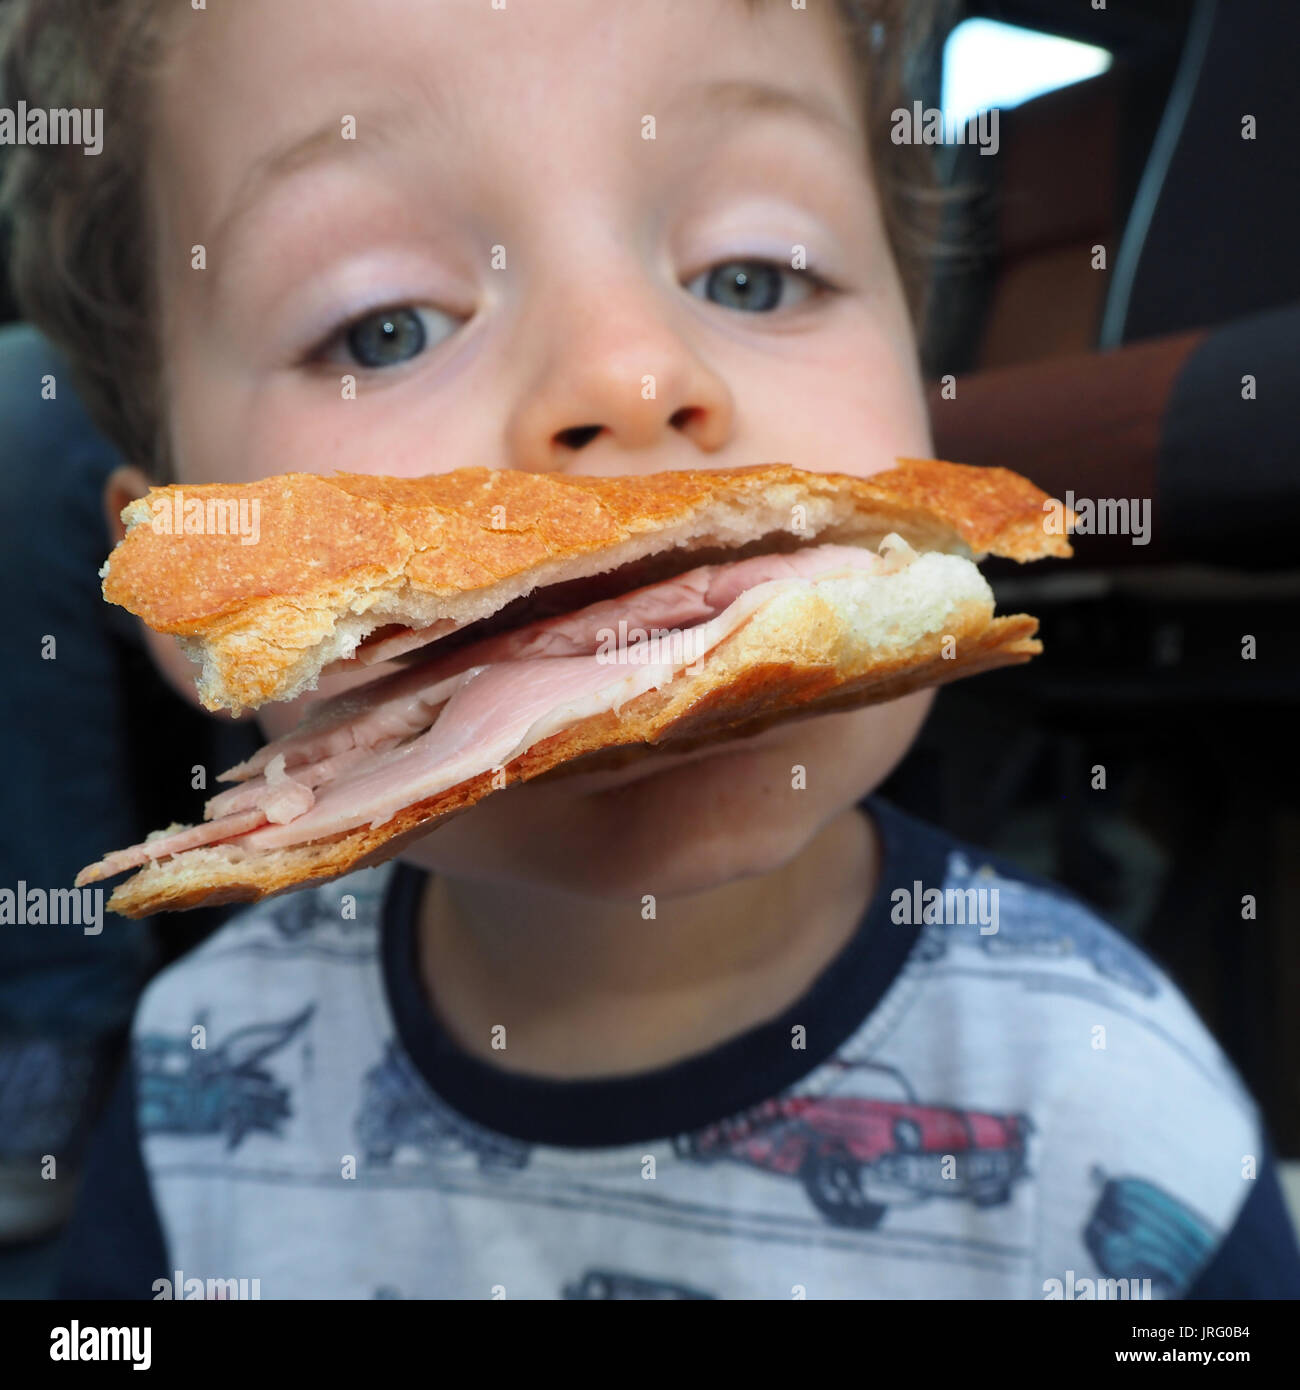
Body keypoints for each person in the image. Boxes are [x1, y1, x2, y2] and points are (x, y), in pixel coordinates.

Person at [2, 0, 1296, 1298]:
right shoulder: (202, 1074)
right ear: (179, 588)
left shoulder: (1109, 1107)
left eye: (754, 276)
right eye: (383, 327)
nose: (629, 373)